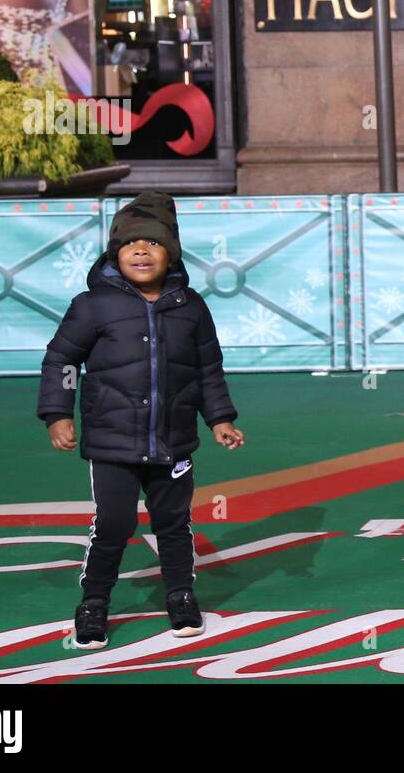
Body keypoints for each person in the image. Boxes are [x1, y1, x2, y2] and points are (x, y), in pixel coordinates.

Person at [36, 190, 245, 650]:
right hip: (113, 444)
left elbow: (208, 368)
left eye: (153, 243)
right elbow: (62, 360)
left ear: (171, 252)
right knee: (113, 524)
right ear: (115, 254)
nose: (141, 251)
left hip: (173, 442)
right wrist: (57, 413)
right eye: (131, 244)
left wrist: (220, 419)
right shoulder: (93, 305)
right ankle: (93, 604)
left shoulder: (190, 306)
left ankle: (181, 595)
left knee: (173, 523)